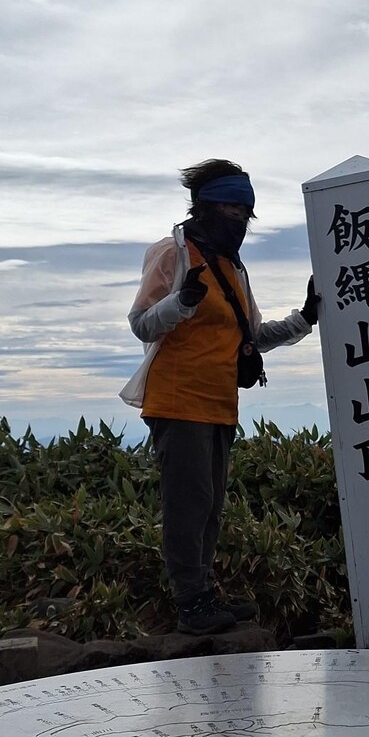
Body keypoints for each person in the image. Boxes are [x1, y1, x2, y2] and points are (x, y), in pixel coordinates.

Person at [120, 159, 319, 633]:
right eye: (229, 208)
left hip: (219, 401)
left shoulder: (232, 267)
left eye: (244, 213)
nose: (238, 220)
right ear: (203, 207)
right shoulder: (172, 254)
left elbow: (251, 334)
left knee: (207, 505)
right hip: (176, 396)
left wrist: (306, 318)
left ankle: (204, 594)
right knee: (188, 504)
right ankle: (191, 604)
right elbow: (142, 324)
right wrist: (181, 301)